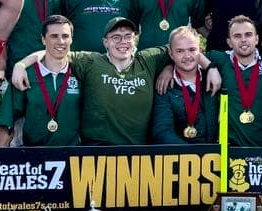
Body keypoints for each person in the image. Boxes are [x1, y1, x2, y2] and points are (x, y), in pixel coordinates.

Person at [13, 17, 220, 145]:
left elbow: (184, 48)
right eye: (116, 37)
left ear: (135, 40)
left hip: (138, 154)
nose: (123, 42)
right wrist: (21, 64)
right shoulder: (91, 61)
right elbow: (54, 51)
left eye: (128, 36)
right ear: (105, 42)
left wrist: (209, 66)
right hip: (97, 152)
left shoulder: (147, 60)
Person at [0, 15, 81, 147]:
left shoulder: (81, 73)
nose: (61, 41)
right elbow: (5, 124)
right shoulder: (24, 76)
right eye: (54, 36)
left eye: (65, 36)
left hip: (74, 158)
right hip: (34, 160)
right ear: (43, 39)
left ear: (71, 39)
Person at [206, 15, 262, 147]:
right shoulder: (220, 59)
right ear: (229, 42)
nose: (243, 40)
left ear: (256, 39)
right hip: (228, 149)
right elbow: (192, 55)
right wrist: (211, 66)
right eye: (237, 36)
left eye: (248, 34)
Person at [151, 26, 220, 144]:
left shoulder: (216, 75)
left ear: (201, 51)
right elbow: (162, 131)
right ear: (171, 54)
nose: (187, 56)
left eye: (192, 49)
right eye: (179, 51)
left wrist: (211, 67)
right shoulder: (164, 86)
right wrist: (191, 155)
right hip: (184, 158)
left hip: (218, 156)